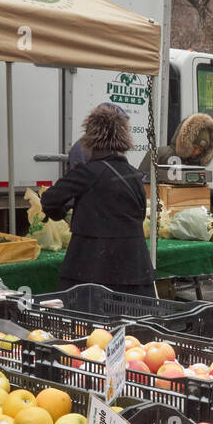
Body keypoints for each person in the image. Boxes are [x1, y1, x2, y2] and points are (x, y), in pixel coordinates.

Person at [41, 103, 155, 295]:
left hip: (90, 267)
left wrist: (61, 214)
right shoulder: (135, 176)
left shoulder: (86, 173)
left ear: (90, 139)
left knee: (87, 324)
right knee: (133, 323)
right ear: (122, 140)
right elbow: (142, 213)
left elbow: (50, 200)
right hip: (134, 270)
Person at [138, 112, 213, 181]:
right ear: (187, 142)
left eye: (201, 150)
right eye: (195, 147)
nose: (197, 152)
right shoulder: (159, 154)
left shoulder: (198, 164)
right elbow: (139, 182)